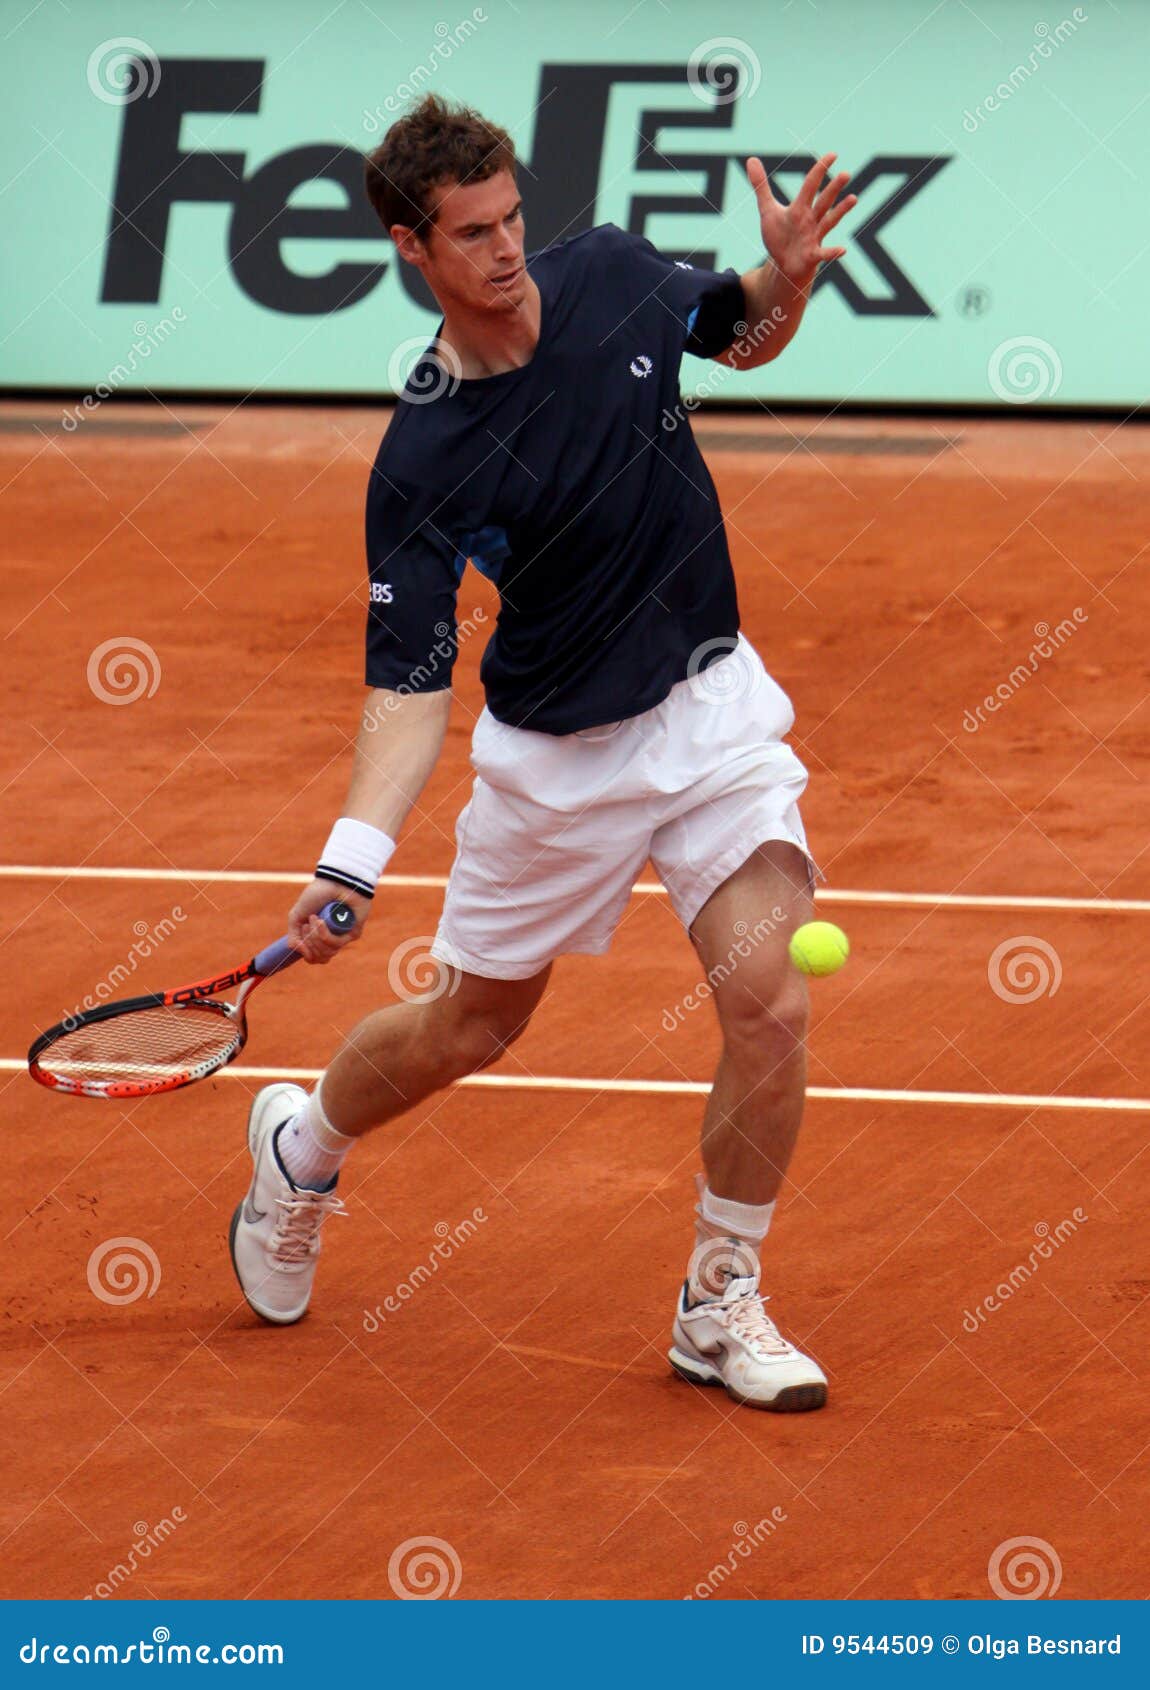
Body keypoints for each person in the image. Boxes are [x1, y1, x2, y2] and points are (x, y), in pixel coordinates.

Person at [229, 94, 855, 1412]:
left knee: (770, 1001)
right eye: (472, 232)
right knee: (474, 1024)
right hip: (554, 758)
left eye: (512, 216)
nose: (507, 249)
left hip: (706, 710)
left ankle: (717, 1298)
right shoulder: (426, 454)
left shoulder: (614, 276)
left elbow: (734, 330)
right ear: (415, 247)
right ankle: (303, 1145)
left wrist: (785, 283)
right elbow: (408, 683)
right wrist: (350, 858)